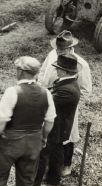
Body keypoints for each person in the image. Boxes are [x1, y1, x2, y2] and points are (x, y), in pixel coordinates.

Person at [0, 56, 56, 186]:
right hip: (33, 144)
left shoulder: (13, 92)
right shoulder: (46, 93)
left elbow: (2, 120)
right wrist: (43, 138)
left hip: (10, 143)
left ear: (20, 72)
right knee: (26, 184)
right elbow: (50, 121)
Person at [38, 30, 92, 176]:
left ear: (70, 48)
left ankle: (66, 165)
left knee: (67, 135)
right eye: (58, 49)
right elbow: (43, 72)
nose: (59, 52)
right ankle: (50, 163)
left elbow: (86, 90)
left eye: (62, 49)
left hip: (67, 106)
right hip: (48, 99)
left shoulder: (81, 64)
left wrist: (69, 101)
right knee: (50, 133)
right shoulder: (52, 55)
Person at [33, 54, 81, 186]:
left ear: (65, 71)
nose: (56, 70)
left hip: (56, 128)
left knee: (41, 155)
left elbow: (47, 102)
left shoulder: (68, 90)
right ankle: (53, 179)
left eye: (58, 68)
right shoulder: (68, 82)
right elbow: (53, 92)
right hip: (61, 127)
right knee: (56, 153)